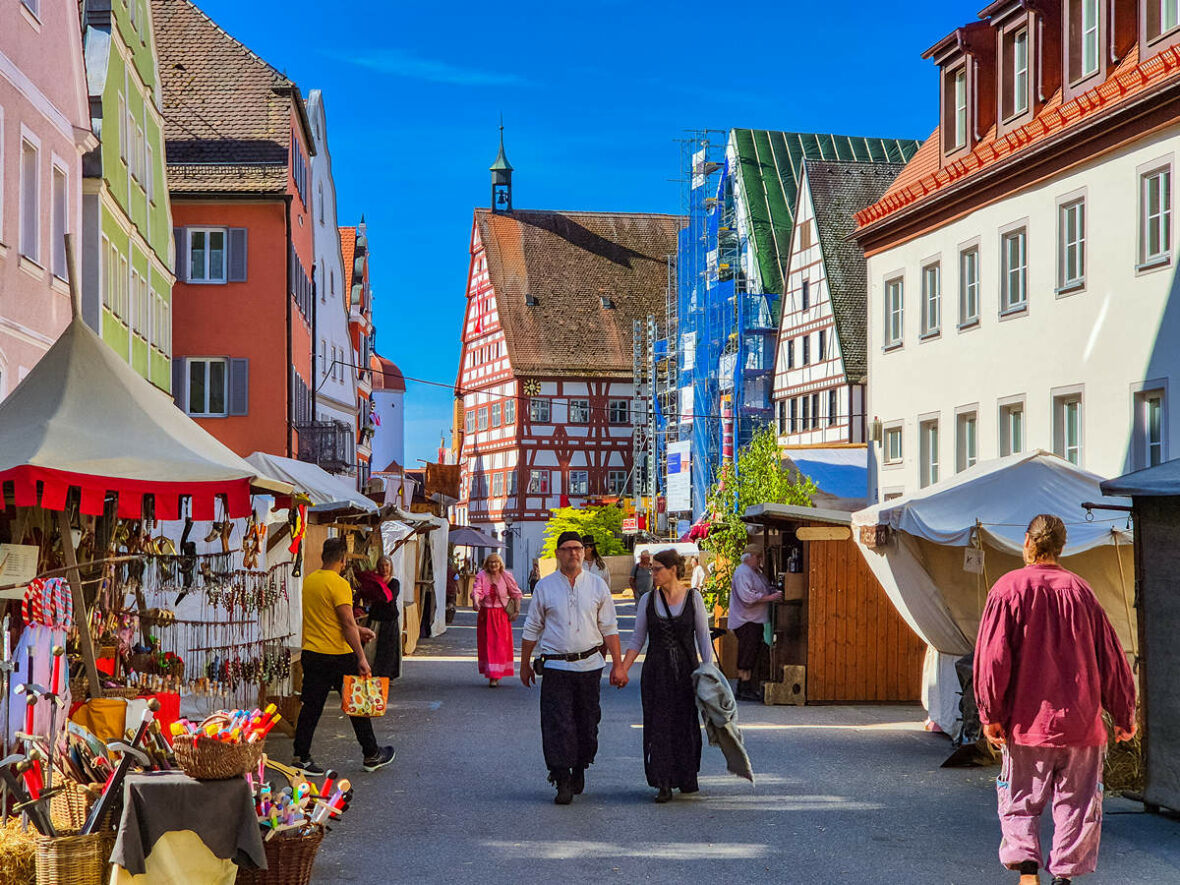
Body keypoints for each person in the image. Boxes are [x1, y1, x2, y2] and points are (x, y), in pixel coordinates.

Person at [975, 514, 1136, 885]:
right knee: (1078, 806)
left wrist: (991, 713)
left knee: (1020, 798)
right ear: (1062, 548)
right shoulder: (1082, 591)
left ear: (1028, 543)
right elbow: (1110, 657)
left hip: (1027, 724)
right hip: (1081, 724)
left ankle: (1027, 872)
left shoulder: (1007, 589)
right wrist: (1125, 713)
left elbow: (993, 659)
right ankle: (1064, 878)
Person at [520, 531, 626, 805]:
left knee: (587, 724)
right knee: (558, 723)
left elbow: (610, 628)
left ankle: (580, 765)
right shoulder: (545, 587)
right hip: (556, 665)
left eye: (578, 548)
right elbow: (532, 628)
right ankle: (561, 777)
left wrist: (618, 665)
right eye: (567, 549)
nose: (573, 553)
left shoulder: (597, 586)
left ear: (584, 552)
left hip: (590, 666)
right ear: (558, 553)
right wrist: (523, 665)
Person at [294, 538, 396, 774]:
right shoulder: (339, 584)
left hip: (313, 651)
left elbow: (329, 618)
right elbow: (347, 622)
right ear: (343, 559)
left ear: (323, 556)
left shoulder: (310, 581)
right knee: (357, 706)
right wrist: (361, 656)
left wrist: (359, 630)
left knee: (310, 707)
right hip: (338, 654)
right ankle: (371, 753)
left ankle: (302, 756)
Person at [622, 549, 712, 802]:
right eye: (651, 569)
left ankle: (685, 777)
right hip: (656, 671)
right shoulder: (648, 600)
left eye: (657, 568)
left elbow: (703, 639)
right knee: (659, 724)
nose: (653, 573)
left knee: (685, 723)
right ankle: (662, 781)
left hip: (686, 671)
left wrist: (709, 672)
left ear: (673, 570)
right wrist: (622, 668)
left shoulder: (694, 599)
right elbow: (638, 638)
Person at [728, 544, 782, 701]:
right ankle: (743, 686)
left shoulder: (755, 572)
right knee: (747, 653)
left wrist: (772, 592)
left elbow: (764, 588)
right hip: (746, 620)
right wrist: (770, 598)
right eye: (758, 557)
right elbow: (747, 597)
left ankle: (747, 685)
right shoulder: (743, 573)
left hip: (753, 619)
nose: (760, 560)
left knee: (752, 653)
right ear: (750, 557)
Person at [472, 553, 523, 687]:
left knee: (500, 645)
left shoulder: (506, 576)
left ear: (500, 564)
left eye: (496, 562)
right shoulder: (482, 575)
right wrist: (476, 602)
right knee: (488, 644)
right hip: (486, 614)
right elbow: (477, 590)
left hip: (501, 615)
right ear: (486, 564)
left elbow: (516, 593)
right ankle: (492, 675)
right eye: (490, 562)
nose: (493, 565)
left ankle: (496, 674)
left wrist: (517, 611)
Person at [357, 555, 401, 680]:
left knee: (388, 649)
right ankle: (371, 671)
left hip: (389, 620)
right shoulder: (374, 582)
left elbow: (389, 597)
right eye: (381, 565)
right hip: (376, 618)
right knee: (371, 648)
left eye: (387, 565)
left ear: (391, 566)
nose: (384, 568)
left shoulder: (394, 582)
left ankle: (386, 675)